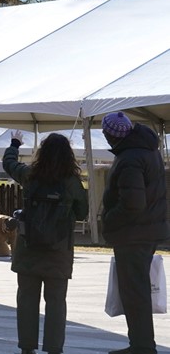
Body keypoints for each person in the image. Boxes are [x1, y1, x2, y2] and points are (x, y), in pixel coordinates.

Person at [3, 130, 89, 354]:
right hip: (59, 250)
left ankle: (27, 347)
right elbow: (82, 212)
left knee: (27, 300)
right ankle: (53, 348)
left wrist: (14, 144)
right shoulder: (71, 182)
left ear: (42, 152)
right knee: (56, 302)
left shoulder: (30, 175)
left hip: (28, 248)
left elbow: (8, 163)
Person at [100, 111, 169, 354]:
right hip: (146, 230)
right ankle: (141, 343)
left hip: (133, 234)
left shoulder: (130, 158)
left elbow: (133, 203)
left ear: (111, 135)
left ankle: (142, 345)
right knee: (137, 290)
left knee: (134, 292)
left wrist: (108, 220)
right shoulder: (148, 150)